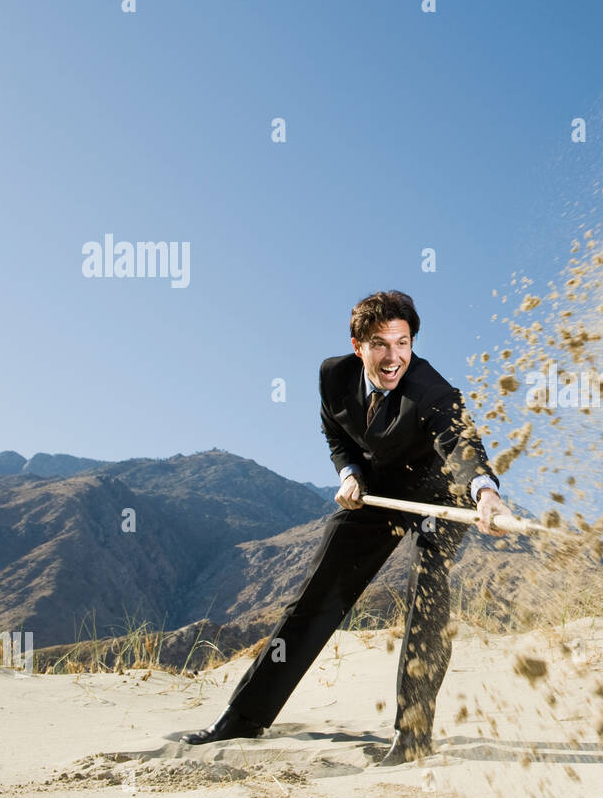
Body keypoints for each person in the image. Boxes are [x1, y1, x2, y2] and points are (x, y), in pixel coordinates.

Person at [181, 290, 511, 765]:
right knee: (317, 595)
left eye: (403, 342)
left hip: (441, 499)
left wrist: (485, 492)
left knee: (428, 597)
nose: (393, 356)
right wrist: (349, 473)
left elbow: (459, 440)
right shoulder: (332, 376)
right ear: (358, 346)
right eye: (380, 344)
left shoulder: (433, 390)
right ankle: (244, 718)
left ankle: (413, 736)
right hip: (377, 494)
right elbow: (336, 432)